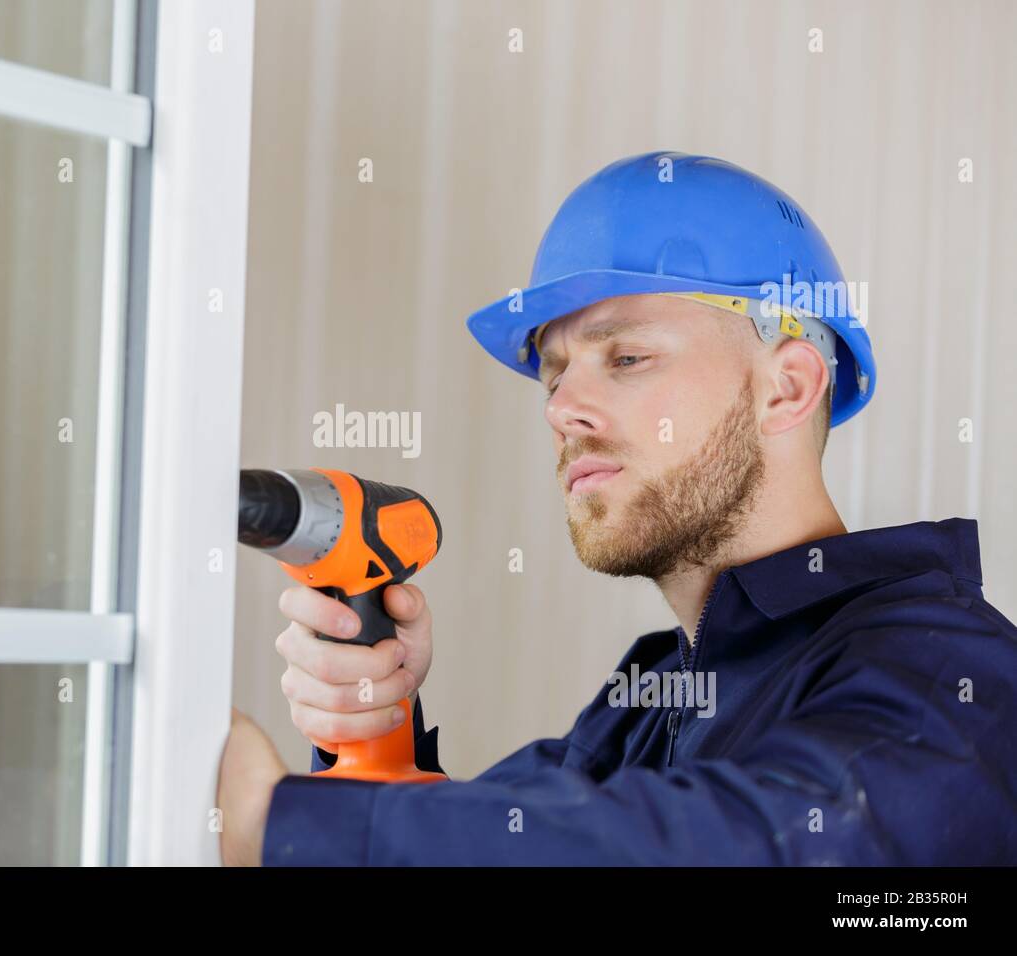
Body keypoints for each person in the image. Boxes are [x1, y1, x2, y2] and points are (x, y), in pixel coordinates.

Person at [216, 152, 1017, 866]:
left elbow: (770, 847)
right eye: (553, 373)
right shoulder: (650, 703)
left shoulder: (950, 674)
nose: (563, 408)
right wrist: (370, 739)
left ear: (789, 386)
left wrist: (281, 823)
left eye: (626, 357)